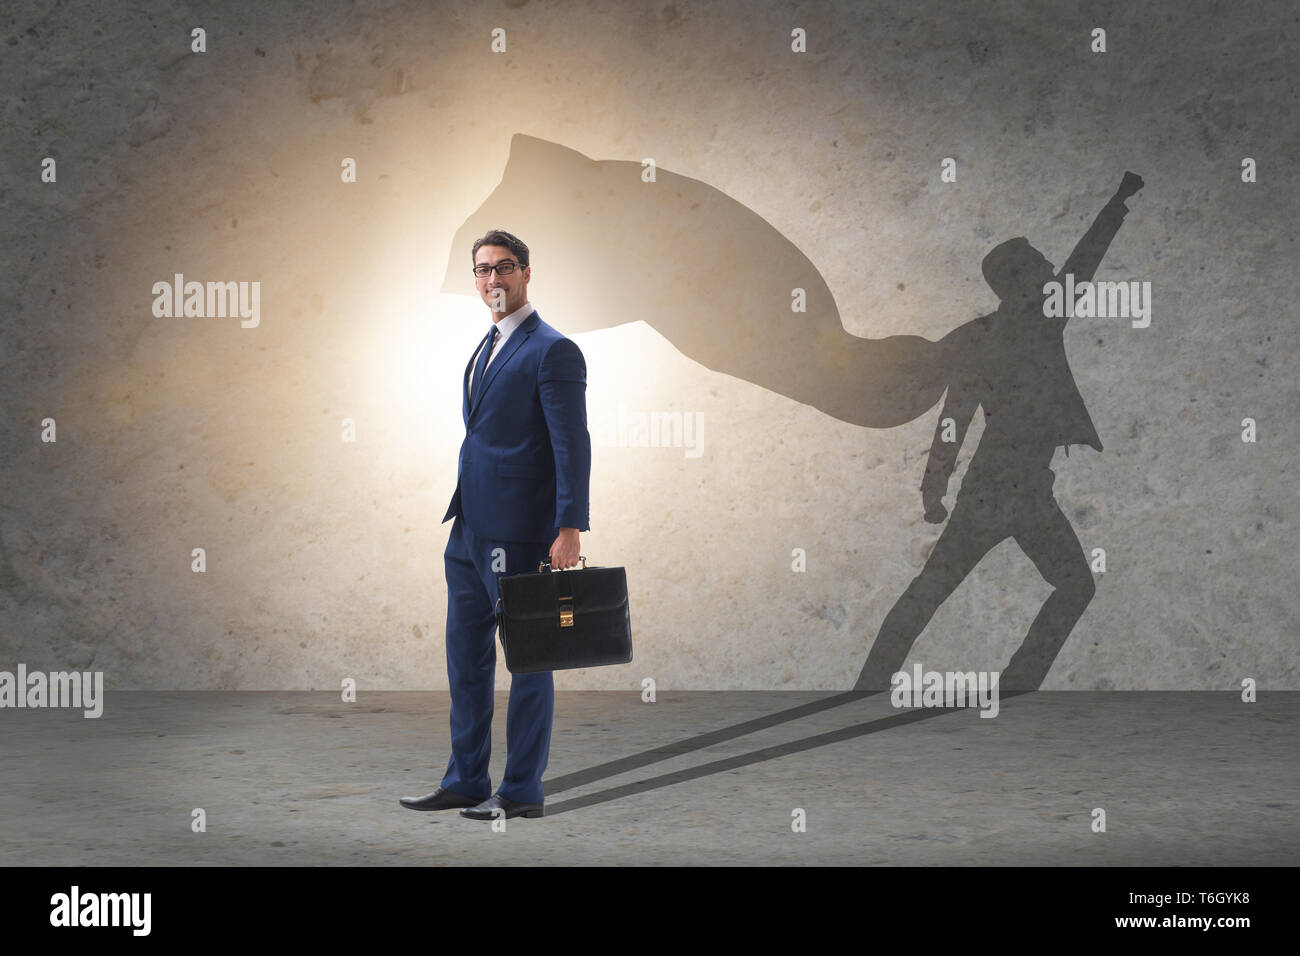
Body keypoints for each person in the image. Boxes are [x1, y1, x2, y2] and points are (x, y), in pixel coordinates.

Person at [855, 172, 1144, 692]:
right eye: (1039, 265)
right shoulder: (1032, 322)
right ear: (1019, 279)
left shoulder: (986, 336)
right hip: (1003, 484)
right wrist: (1115, 205)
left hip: (1016, 486)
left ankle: (888, 684)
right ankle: (1005, 684)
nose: (1051, 269)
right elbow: (1084, 264)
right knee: (1059, 586)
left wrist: (935, 488)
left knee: (952, 587)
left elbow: (954, 420)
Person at [401, 229, 591, 820]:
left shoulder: (552, 349)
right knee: (467, 659)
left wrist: (569, 527)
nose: (493, 279)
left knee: (530, 661)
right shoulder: (486, 345)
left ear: (526, 273)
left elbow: (572, 445)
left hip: (521, 534)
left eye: (504, 268)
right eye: (483, 270)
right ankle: (465, 779)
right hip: (469, 532)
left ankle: (521, 791)